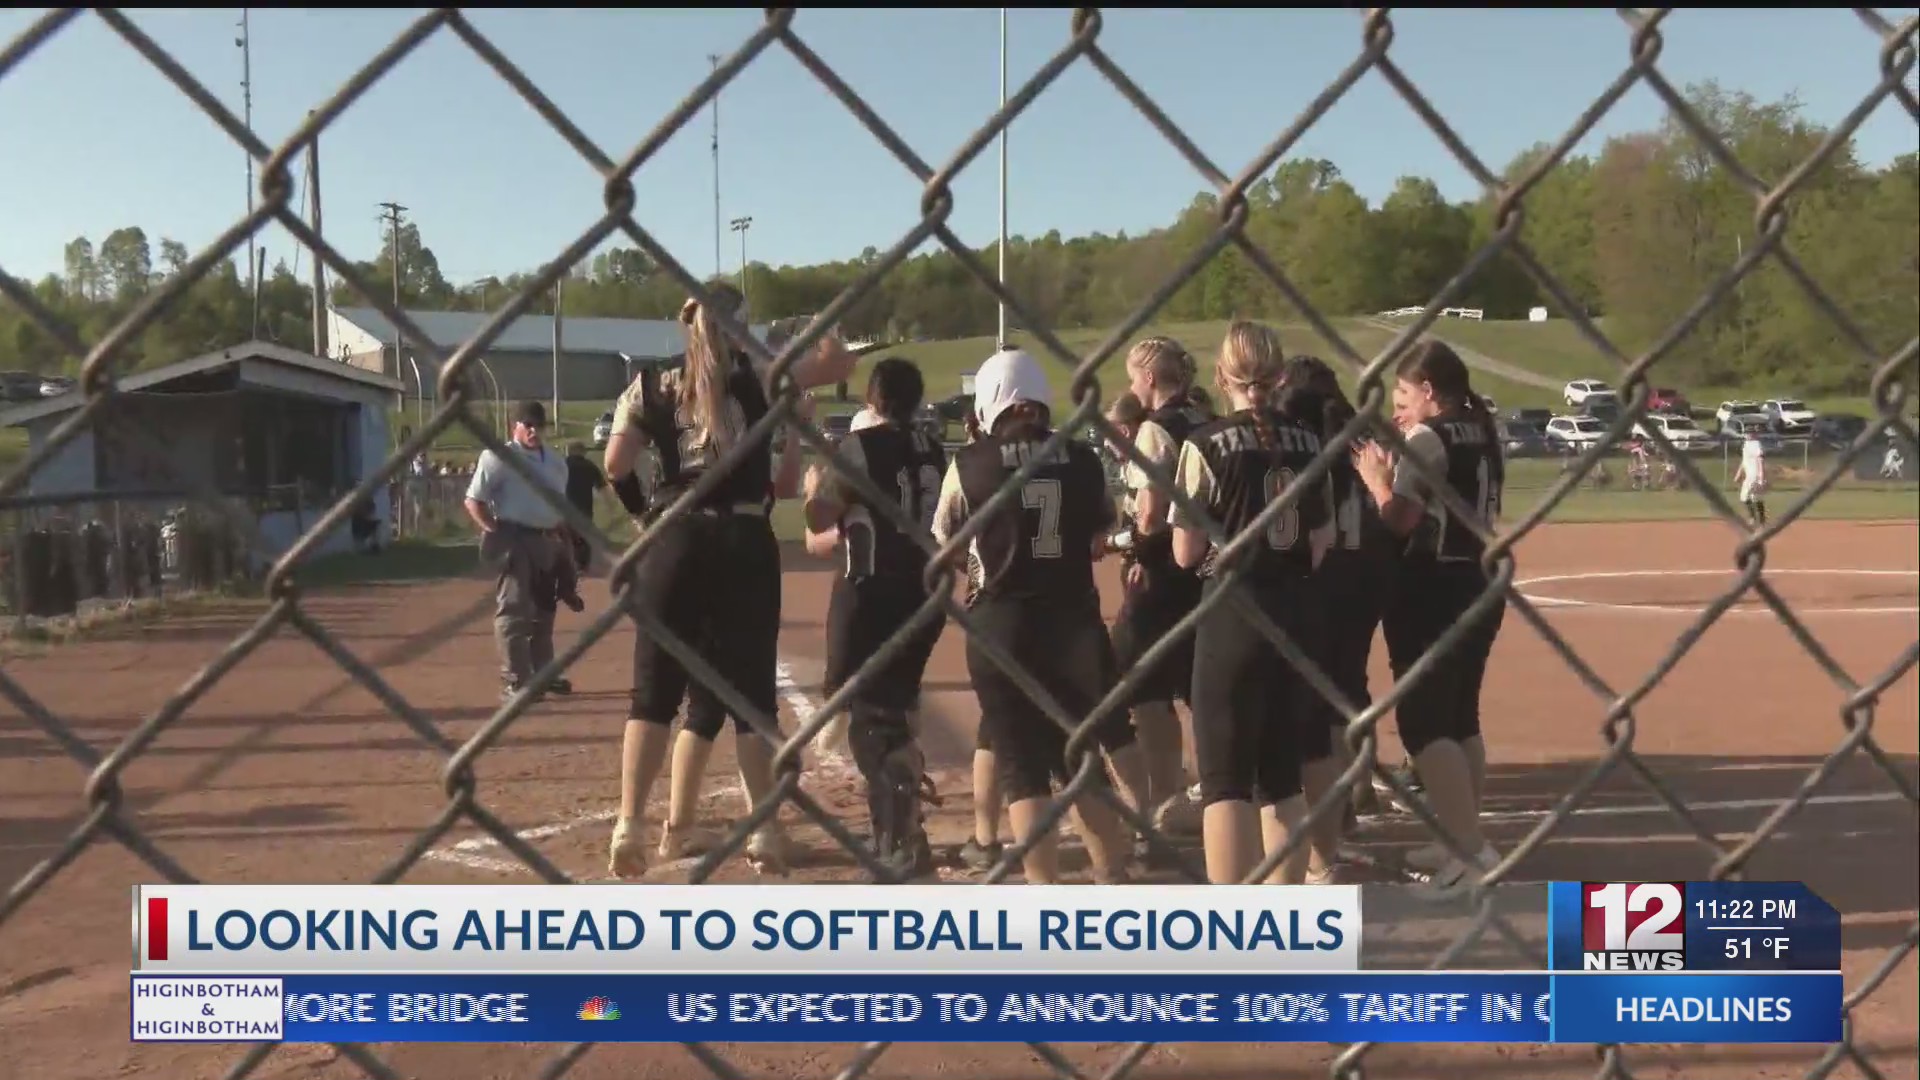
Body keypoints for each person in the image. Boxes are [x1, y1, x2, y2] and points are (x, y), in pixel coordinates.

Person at [601, 283, 856, 878]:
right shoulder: (765, 376)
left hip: (674, 537)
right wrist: (821, 334)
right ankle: (764, 831)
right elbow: (836, 364)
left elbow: (616, 464)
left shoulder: (648, 383)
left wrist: (645, 513)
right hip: (743, 539)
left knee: (653, 694)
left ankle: (630, 823)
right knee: (751, 699)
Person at [932, 347, 1131, 884]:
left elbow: (944, 541)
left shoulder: (969, 461)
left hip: (1000, 624)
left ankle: (1044, 891)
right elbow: (1098, 536)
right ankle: (1113, 872)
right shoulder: (1083, 459)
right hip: (1072, 624)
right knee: (1078, 758)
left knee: (1021, 766)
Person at [1169, 322, 1336, 885]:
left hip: (1232, 613)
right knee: (1281, 778)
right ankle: (1282, 921)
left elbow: (1185, 553)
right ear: (1280, 374)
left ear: (1221, 377)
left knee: (1225, 781)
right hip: (1297, 612)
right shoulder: (1310, 440)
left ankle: (1233, 929)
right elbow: (1320, 541)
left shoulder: (1204, 443)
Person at [1351, 338, 1507, 894]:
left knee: (1424, 721)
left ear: (1429, 391)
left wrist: (1376, 479)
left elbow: (1401, 520)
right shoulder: (1486, 429)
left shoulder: (1428, 437)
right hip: (1482, 580)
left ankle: (1467, 853)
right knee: (1461, 716)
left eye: (1403, 394)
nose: (1398, 407)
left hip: (1434, 584)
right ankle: (1462, 836)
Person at [801, 358, 949, 879]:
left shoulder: (859, 447)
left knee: (865, 714)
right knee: (898, 706)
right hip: (926, 592)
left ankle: (898, 840)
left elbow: (819, 518)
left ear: (873, 398)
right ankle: (903, 829)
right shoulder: (933, 446)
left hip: (870, 593)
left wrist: (817, 474)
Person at [1276, 355, 1396, 838]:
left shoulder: (1300, 443)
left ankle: (1335, 800)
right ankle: (1359, 786)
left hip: (1318, 575)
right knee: (1350, 683)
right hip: (1366, 572)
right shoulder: (1362, 436)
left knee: (1316, 694)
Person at [1110, 338, 1211, 854]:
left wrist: (1121, 542)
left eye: (1133, 377)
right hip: (1202, 574)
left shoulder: (1155, 428)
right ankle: (1200, 797)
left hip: (1160, 576)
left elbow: (1149, 515)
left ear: (1149, 378)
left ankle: (1159, 807)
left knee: (1133, 688)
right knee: (1194, 689)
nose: (1131, 388)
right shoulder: (1198, 418)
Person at [464, 401, 574, 702]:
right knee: (513, 610)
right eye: (529, 425)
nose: (535, 431)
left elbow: (558, 507)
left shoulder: (555, 462)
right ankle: (516, 680)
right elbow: (474, 501)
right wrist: (494, 532)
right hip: (514, 536)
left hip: (547, 538)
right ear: (515, 427)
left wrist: (566, 544)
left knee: (543, 612)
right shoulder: (499, 457)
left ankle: (542, 674)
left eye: (539, 425)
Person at [562, 442, 610, 573]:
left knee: (566, 535)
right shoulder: (590, 466)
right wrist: (608, 505)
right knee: (584, 536)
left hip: (565, 506)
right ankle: (582, 565)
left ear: (569, 451)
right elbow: (602, 487)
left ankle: (568, 564)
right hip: (585, 507)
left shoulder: (561, 464)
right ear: (582, 452)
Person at [1733, 428, 1768, 526]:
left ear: (1754, 434)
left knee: (1744, 497)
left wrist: (1761, 477)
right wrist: (1739, 473)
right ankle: (1761, 520)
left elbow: (1760, 460)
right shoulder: (1746, 444)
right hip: (1750, 475)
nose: (1748, 435)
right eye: (1747, 433)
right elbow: (1744, 461)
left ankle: (1754, 518)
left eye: (1750, 433)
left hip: (1754, 475)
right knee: (1754, 497)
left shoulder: (1756, 444)